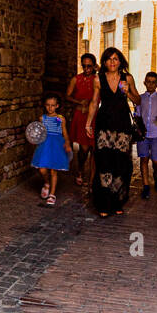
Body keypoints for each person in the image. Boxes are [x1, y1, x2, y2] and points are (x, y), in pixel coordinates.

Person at [85, 47, 140, 217]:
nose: (112, 62)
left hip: (122, 126)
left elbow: (138, 100)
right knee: (104, 163)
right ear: (104, 62)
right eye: (109, 59)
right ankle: (103, 204)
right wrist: (88, 124)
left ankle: (117, 202)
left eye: (115, 59)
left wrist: (128, 92)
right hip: (104, 126)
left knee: (121, 164)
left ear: (120, 61)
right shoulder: (98, 79)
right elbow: (94, 103)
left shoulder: (127, 78)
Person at [30, 92, 71, 206]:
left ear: (57, 106)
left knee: (54, 170)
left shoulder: (60, 119)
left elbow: (64, 132)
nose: (50, 107)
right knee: (42, 169)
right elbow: (39, 132)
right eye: (48, 105)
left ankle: (52, 194)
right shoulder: (42, 118)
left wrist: (67, 143)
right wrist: (34, 139)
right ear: (45, 105)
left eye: (53, 105)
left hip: (57, 146)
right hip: (45, 145)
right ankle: (47, 183)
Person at [66, 52, 98, 186]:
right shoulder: (76, 79)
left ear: (94, 66)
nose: (86, 69)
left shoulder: (98, 79)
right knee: (83, 149)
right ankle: (80, 170)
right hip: (81, 115)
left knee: (95, 148)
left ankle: (92, 177)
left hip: (95, 116)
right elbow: (67, 96)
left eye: (89, 66)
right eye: (84, 66)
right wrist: (79, 102)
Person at [137, 70, 157, 198]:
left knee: (156, 161)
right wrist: (138, 128)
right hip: (143, 134)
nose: (150, 84)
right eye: (148, 82)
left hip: (156, 133)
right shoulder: (140, 98)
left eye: (153, 82)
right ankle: (146, 185)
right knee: (144, 158)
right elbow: (137, 115)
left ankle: (156, 174)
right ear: (144, 83)